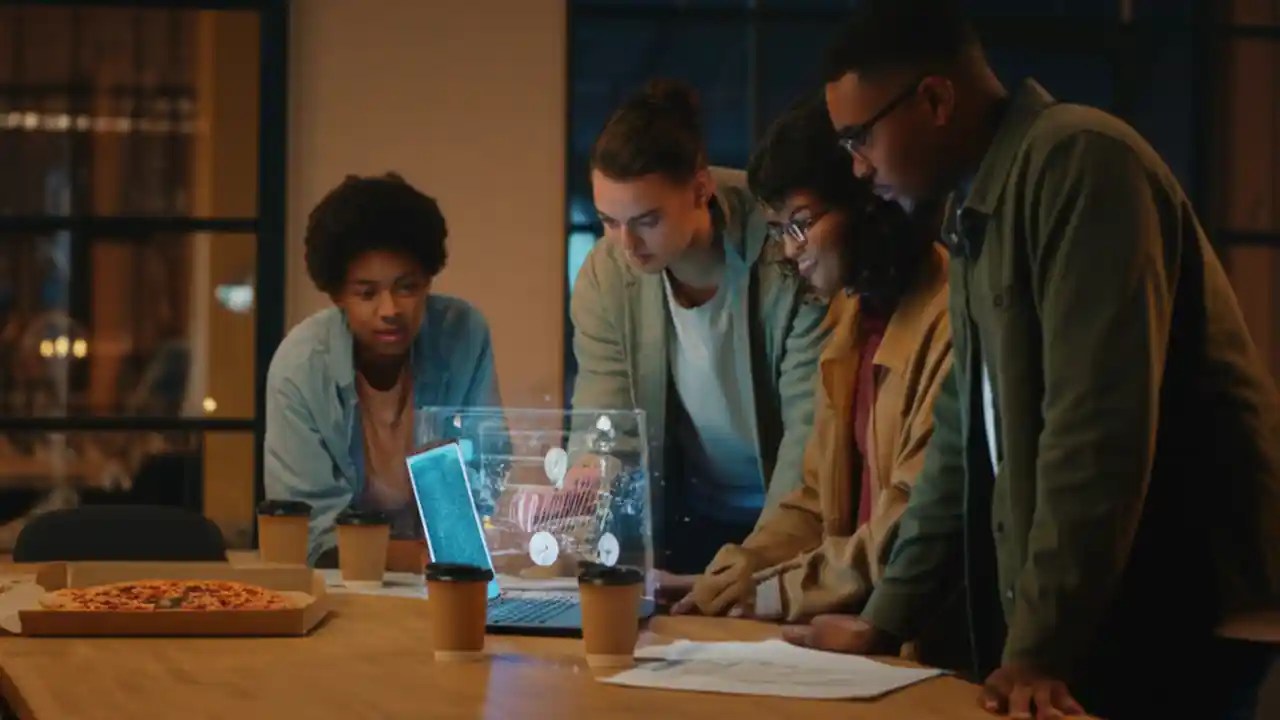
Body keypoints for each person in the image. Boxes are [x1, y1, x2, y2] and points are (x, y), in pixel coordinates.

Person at [783, 2, 1280, 719]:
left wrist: (1038, 651)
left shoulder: (1079, 162)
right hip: (1118, 604)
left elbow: (1097, 430)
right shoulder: (982, 207)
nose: (857, 170)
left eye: (860, 139)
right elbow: (960, 436)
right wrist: (885, 618)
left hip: (1179, 603)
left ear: (934, 99)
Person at [673, 96, 958, 650]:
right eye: (779, 229)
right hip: (850, 628)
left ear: (868, 203)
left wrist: (777, 593)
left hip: (923, 641)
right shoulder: (849, 319)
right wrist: (744, 570)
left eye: (800, 225)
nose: (789, 252)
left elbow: (910, 523)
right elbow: (812, 499)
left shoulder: (946, 318)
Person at [570, 80, 828, 576]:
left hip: (791, 523)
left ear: (701, 189)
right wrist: (573, 513)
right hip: (689, 517)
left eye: (646, 220)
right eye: (608, 220)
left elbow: (809, 434)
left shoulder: (786, 251)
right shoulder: (606, 275)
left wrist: (759, 562)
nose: (626, 244)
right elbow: (604, 428)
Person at [264, 173, 500, 566]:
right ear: (337, 294)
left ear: (428, 281)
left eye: (406, 287)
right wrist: (430, 559)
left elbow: (485, 474)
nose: (390, 310)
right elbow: (310, 534)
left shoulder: (463, 335)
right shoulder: (301, 367)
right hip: (339, 579)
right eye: (367, 293)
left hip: (447, 578)